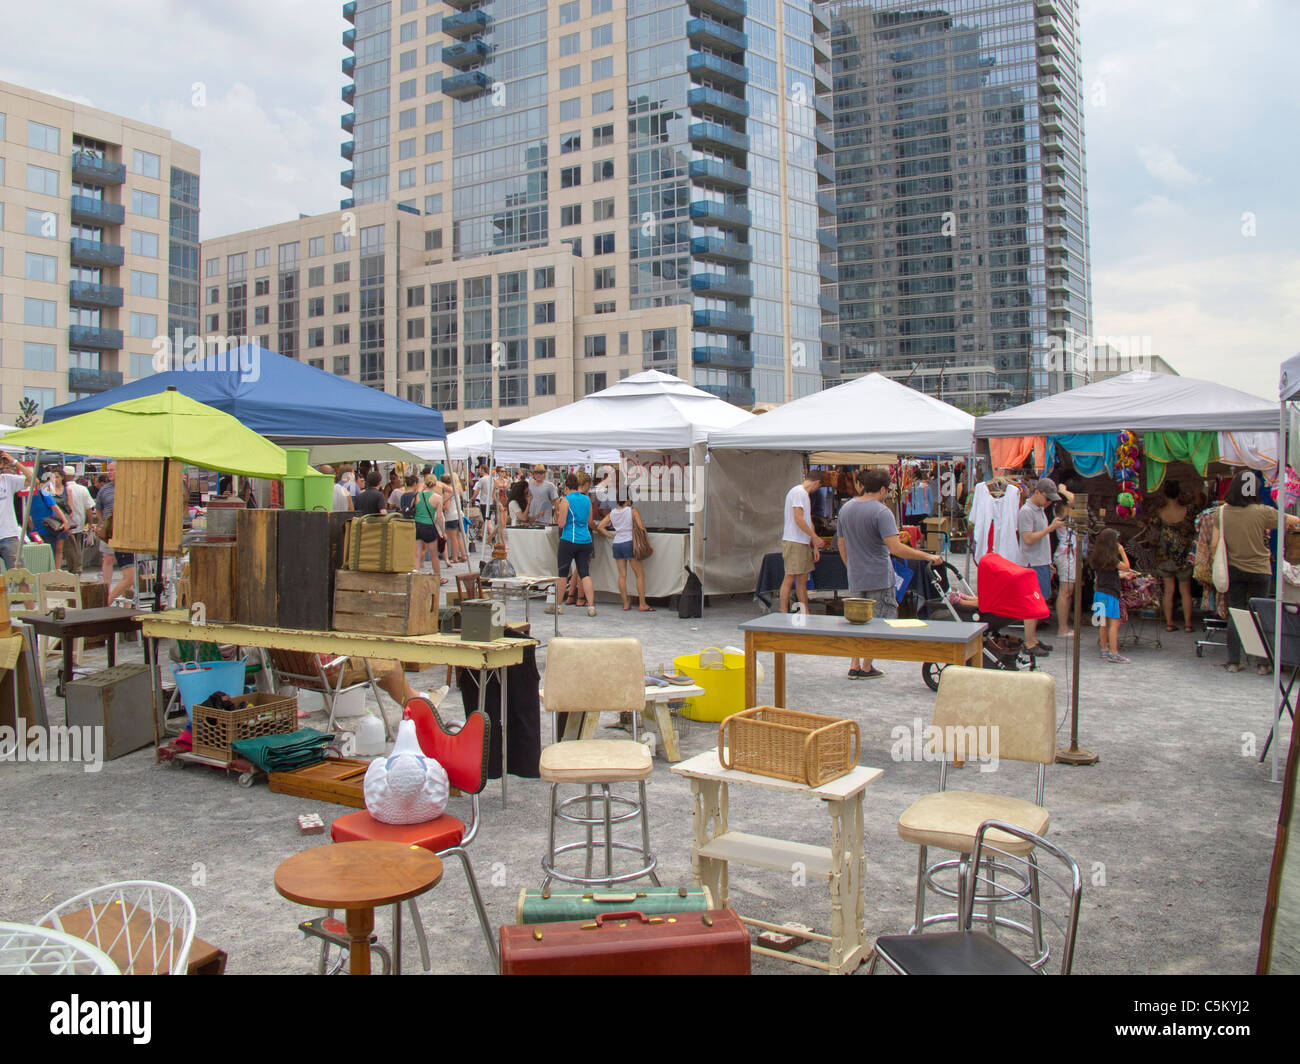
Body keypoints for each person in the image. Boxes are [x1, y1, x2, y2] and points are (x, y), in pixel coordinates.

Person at [837, 468, 943, 678]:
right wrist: (927, 556)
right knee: (878, 621)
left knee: (857, 622)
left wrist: (850, 565)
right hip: (878, 574)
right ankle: (866, 666)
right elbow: (895, 548)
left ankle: (854, 664)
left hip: (856, 574)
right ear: (883, 489)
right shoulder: (882, 511)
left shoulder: (846, 508)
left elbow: (841, 543)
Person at [1216, 470, 1300, 672]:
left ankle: (1234, 661)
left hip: (1234, 569)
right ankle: (1263, 664)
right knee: (1260, 615)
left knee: (1236, 613)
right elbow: (1293, 521)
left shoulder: (1222, 512)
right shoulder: (1264, 512)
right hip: (1260, 570)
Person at [1016, 477, 1069, 655]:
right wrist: (1050, 528)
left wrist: (1048, 562)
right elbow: (1028, 539)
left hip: (1041, 561)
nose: (1048, 503)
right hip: (1031, 563)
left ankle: (1033, 639)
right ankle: (1029, 642)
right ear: (1038, 492)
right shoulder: (1026, 511)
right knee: (1033, 602)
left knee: (1040, 601)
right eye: (1047, 499)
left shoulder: (1038, 510)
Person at [1148, 480, 1196, 633]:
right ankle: (1188, 624)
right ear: (1179, 493)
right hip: (1183, 557)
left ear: (1165, 493)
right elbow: (1193, 530)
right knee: (1185, 591)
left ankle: (1169, 623)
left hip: (1164, 557)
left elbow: (1152, 532)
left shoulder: (1159, 512)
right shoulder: (1187, 512)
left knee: (1169, 590)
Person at [597, 490, 654, 611]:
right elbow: (642, 528)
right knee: (639, 574)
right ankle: (642, 604)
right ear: (628, 499)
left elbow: (600, 526)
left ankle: (625, 603)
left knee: (622, 575)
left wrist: (611, 536)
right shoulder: (633, 511)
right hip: (630, 543)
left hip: (617, 544)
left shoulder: (612, 513)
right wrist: (648, 544)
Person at [778, 473, 827, 615]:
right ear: (817, 483)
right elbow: (798, 518)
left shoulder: (802, 494)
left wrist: (814, 543)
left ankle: (804, 612)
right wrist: (814, 537)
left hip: (802, 541)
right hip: (794, 541)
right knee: (790, 576)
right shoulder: (799, 492)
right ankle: (783, 612)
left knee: (802, 579)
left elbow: (807, 519)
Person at [92, 461, 136, 603]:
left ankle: (118, 601)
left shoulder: (129, 488)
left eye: (112, 470)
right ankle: (107, 595)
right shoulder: (105, 490)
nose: (109, 473)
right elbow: (98, 508)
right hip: (113, 532)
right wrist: (102, 523)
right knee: (108, 559)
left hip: (127, 532)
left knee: (130, 573)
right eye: (108, 470)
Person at [554, 472, 596, 616]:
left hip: (569, 539)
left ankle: (558, 606)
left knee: (562, 573)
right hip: (585, 539)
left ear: (566, 486)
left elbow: (561, 523)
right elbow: (590, 520)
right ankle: (591, 607)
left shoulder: (565, 501)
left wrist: (558, 512)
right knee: (585, 573)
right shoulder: (587, 500)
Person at [1089, 528, 1132, 664]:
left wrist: (1122, 575)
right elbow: (1126, 566)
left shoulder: (1097, 557)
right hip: (1111, 594)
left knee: (1102, 623)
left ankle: (1104, 649)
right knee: (1114, 623)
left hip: (1099, 593)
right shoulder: (1112, 559)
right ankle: (1114, 653)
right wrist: (1122, 551)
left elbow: (1109, 574)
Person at [30, 472, 72, 571]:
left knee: (40, 556)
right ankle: (52, 573)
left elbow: (27, 516)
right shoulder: (43, 492)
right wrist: (66, 522)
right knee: (51, 553)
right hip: (47, 528)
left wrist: (32, 528)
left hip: (38, 529)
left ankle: (47, 573)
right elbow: (55, 507)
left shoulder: (28, 495)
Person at [0, 453, 33, 570]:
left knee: (19, 579)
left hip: (8, 535)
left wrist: (14, 462)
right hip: (9, 536)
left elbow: (34, 480)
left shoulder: (7, 480)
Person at [1052, 498, 1080, 637]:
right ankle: (1062, 628)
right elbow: (1072, 499)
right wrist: (1063, 489)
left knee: (1068, 591)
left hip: (1070, 553)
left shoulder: (1067, 513)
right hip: (1065, 553)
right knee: (1065, 591)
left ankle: (1065, 626)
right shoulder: (1061, 511)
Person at [411, 473, 445, 584]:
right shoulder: (438, 498)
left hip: (417, 525)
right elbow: (439, 517)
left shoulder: (417, 495)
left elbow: (412, 508)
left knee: (417, 553)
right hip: (428, 526)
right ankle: (437, 577)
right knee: (433, 554)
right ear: (435, 484)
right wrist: (443, 532)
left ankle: (415, 575)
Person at [61, 464, 95, 575]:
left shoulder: (62, 489)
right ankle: (77, 567)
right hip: (80, 522)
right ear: (74, 475)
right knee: (77, 547)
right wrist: (90, 523)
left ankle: (74, 568)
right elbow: (89, 508)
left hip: (66, 523)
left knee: (70, 548)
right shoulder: (82, 489)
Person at [440, 473, 469, 565]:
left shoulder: (447, 492)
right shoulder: (456, 489)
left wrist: (440, 505)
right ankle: (463, 555)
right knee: (458, 537)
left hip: (451, 516)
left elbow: (446, 506)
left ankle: (455, 557)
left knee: (453, 538)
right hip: (458, 514)